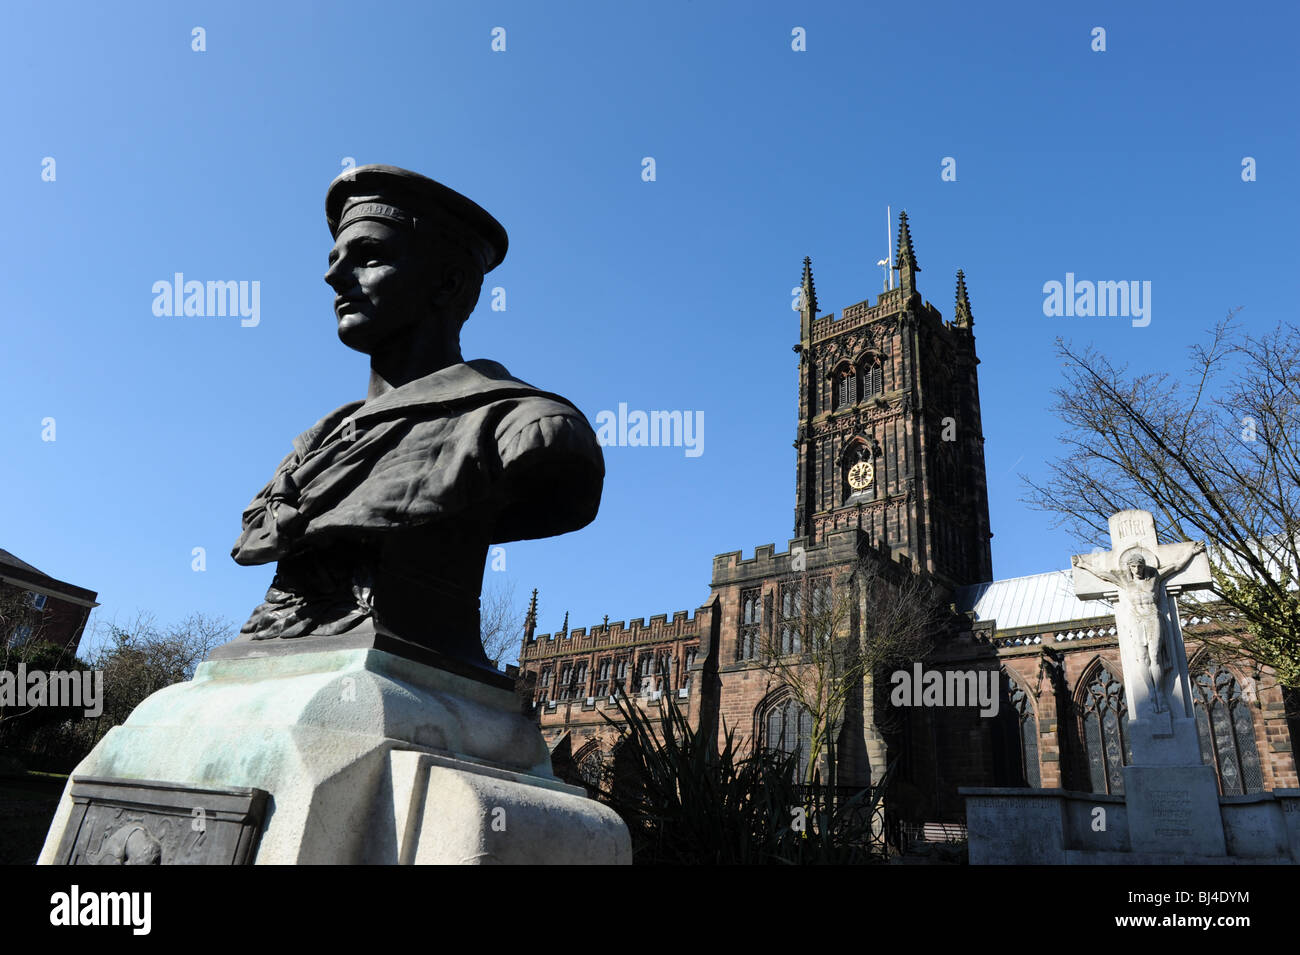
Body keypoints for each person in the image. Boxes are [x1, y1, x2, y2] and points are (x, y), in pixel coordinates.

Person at [218, 165, 604, 678]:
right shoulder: (310, 448)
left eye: (370, 257)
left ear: (449, 283)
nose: (333, 276)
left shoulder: (525, 426)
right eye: (334, 259)